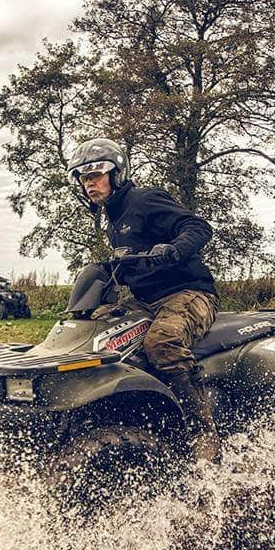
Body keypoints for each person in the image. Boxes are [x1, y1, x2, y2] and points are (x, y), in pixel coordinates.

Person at [66, 138, 220, 461]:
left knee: (161, 342)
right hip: (146, 300)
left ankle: (201, 430)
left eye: (96, 175)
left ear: (117, 174)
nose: (89, 183)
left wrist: (175, 248)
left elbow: (198, 227)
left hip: (188, 293)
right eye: (83, 178)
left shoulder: (145, 200)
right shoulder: (113, 221)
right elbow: (133, 265)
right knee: (93, 332)